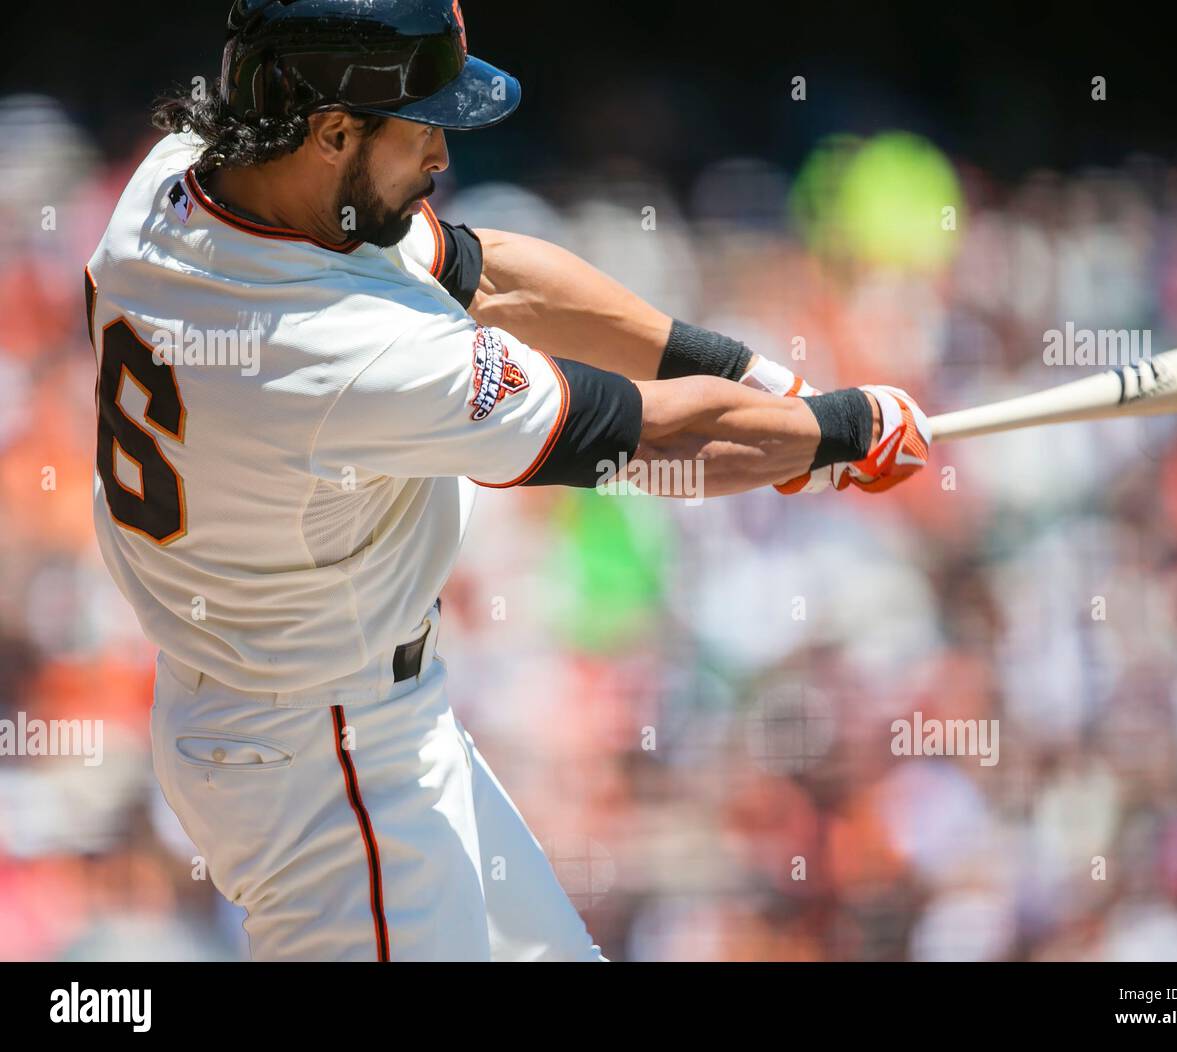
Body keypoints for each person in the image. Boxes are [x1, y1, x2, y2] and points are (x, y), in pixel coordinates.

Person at [85, 0, 931, 960]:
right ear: (329, 131)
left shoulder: (178, 183)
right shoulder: (345, 352)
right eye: (423, 129)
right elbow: (650, 441)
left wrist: (763, 382)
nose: (442, 158)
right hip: (326, 772)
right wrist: (837, 433)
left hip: (319, 714)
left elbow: (496, 282)